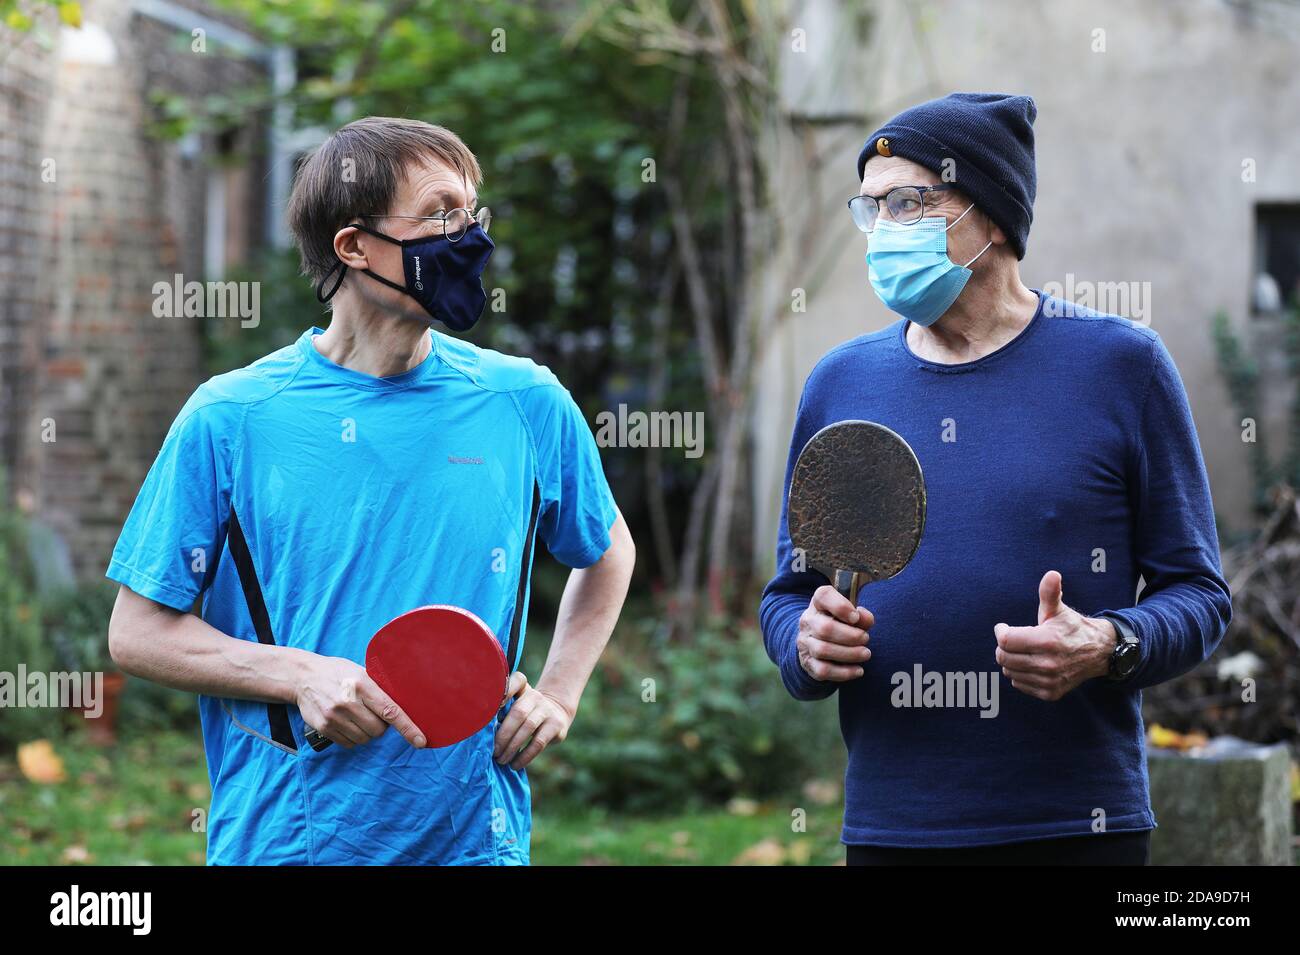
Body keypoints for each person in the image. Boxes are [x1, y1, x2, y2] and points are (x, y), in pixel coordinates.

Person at [106, 116, 635, 865]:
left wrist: (561, 690)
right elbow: (135, 631)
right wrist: (299, 674)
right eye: (440, 213)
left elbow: (606, 548)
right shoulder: (231, 417)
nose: (470, 238)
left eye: (471, 213)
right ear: (353, 247)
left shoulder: (524, 401)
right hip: (286, 841)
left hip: (474, 843)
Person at [759, 93, 1231, 865]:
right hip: (892, 828)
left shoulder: (1122, 366)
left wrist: (1110, 641)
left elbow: (1201, 594)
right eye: (871, 208)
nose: (883, 230)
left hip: (1077, 827)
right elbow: (789, 592)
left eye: (910, 202)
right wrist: (805, 646)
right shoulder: (839, 383)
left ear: (995, 216)